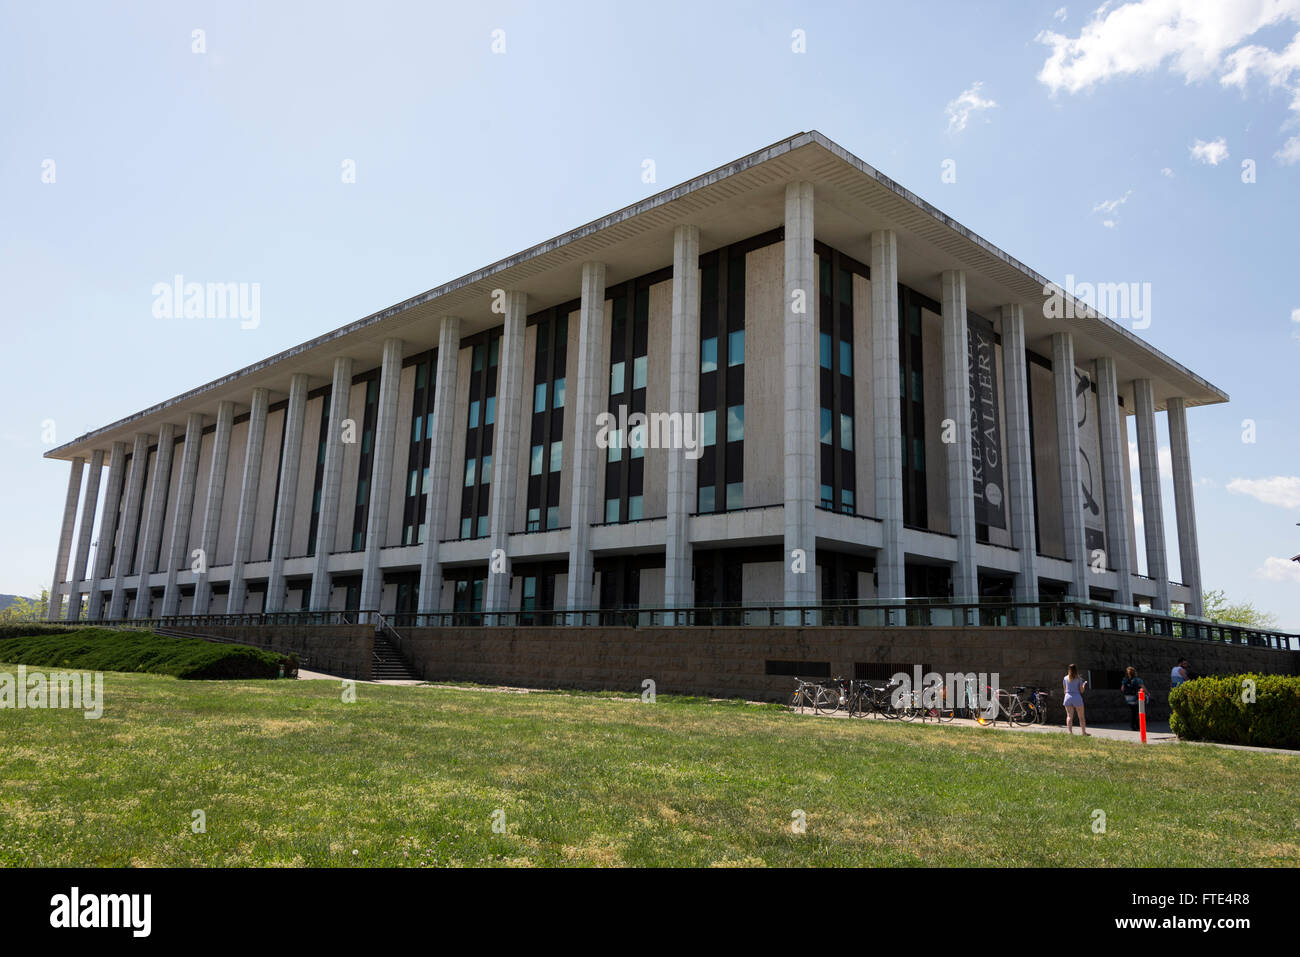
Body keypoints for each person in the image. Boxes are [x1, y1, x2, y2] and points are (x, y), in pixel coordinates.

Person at [1062, 663, 1089, 736]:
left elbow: (1064, 690)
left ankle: (1070, 732)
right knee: (1081, 716)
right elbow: (1081, 691)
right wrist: (1084, 685)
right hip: (1076, 697)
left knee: (1069, 716)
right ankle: (1083, 732)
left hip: (1067, 697)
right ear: (1076, 670)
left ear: (1068, 669)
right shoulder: (1079, 678)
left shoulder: (1065, 678)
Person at [1120, 666, 1146, 732]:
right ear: (1135, 672)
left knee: (1133, 711)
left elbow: (1122, 689)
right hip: (1135, 697)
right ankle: (1135, 726)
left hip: (1127, 697)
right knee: (1136, 712)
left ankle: (1135, 725)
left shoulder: (1125, 679)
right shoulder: (1137, 679)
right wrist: (1148, 694)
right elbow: (1143, 688)